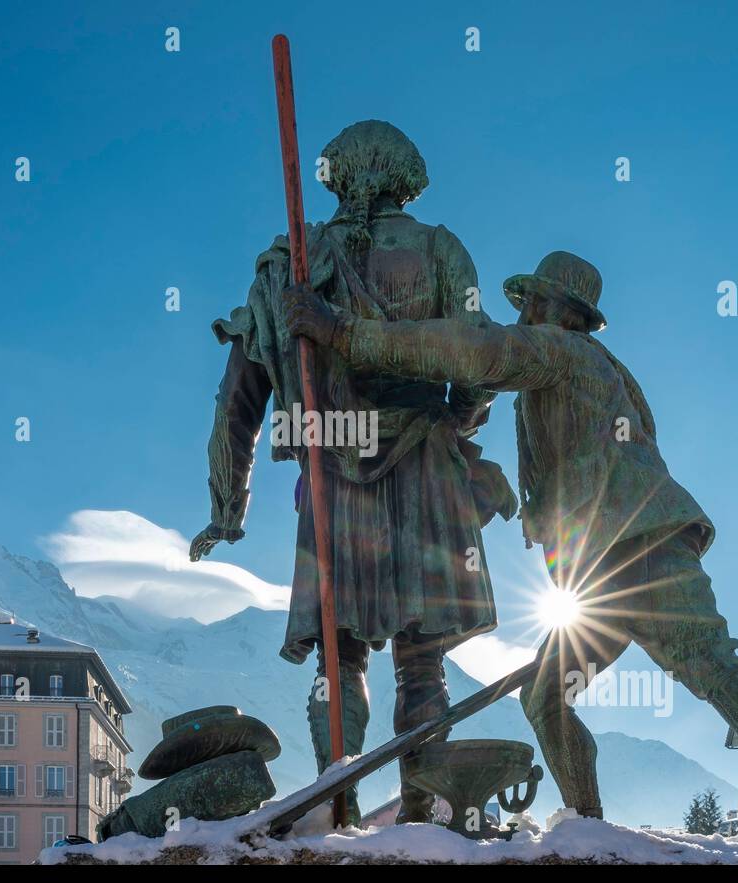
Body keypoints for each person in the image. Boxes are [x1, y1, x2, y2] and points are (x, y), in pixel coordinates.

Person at [283, 250, 738, 847]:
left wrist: (341, 332)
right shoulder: (589, 370)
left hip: (640, 550)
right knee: (545, 695)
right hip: (603, 567)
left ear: (557, 308)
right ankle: (587, 826)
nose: (522, 313)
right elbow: (498, 387)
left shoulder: (563, 352)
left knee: (713, 668)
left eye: (529, 302)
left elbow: (480, 352)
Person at [190, 121, 515, 824]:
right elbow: (481, 357)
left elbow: (236, 401)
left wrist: (229, 506)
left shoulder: (288, 268)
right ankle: (423, 808)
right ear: (405, 177)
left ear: (336, 177)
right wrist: (460, 418)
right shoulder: (441, 250)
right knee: (421, 661)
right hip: (428, 464)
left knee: (337, 664)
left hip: (332, 468)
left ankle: (336, 798)